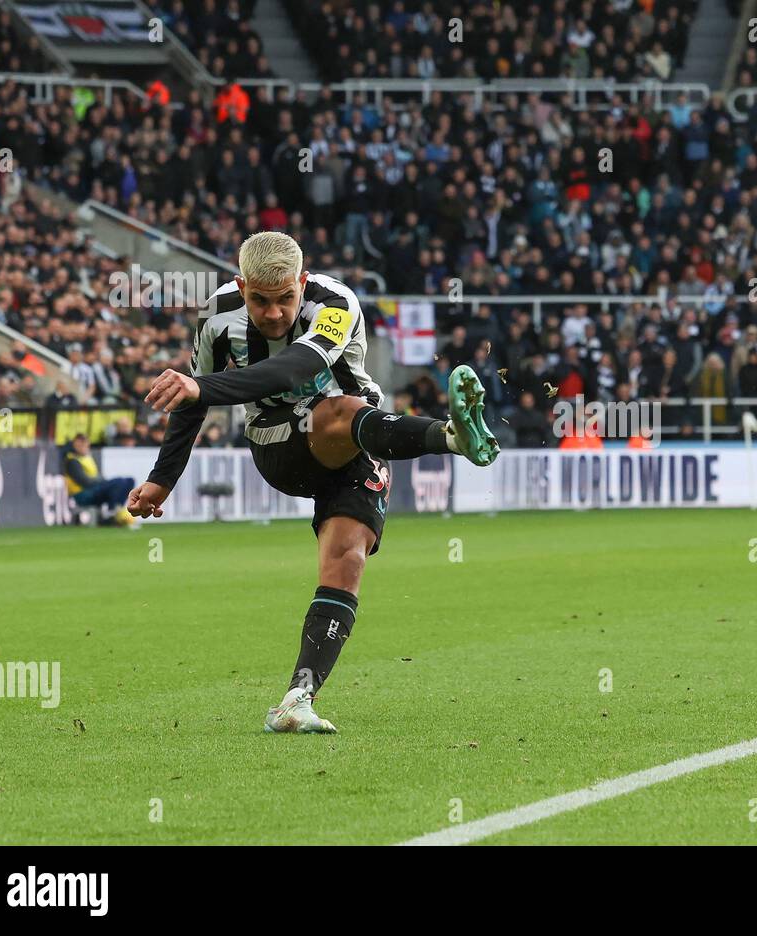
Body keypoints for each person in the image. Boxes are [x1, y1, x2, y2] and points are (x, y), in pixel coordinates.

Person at [126, 232, 499, 734]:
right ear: (241, 285)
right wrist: (162, 479)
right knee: (338, 411)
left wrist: (202, 387)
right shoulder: (217, 317)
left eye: (285, 299)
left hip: (359, 444)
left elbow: (300, 365)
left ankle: (296, 700)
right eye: (260, 300)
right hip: (280, 445)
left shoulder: (336, 302)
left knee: (346, 561)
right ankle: (451, 437)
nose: (274, 313)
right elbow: (194, 400)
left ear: (302, 283)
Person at [63, 434, 136, 526]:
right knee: (118, 482)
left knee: (129, 481)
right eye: (80, 445)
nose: (83, 448)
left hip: (94, 489)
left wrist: (101, 481)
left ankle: (116, 509)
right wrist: (102, 482)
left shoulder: (87, 458)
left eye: (85, 445)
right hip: (83, 494)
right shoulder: (72, 461)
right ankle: (111, 512)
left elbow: (97, 477)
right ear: (74, 445)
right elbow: (85, 482)